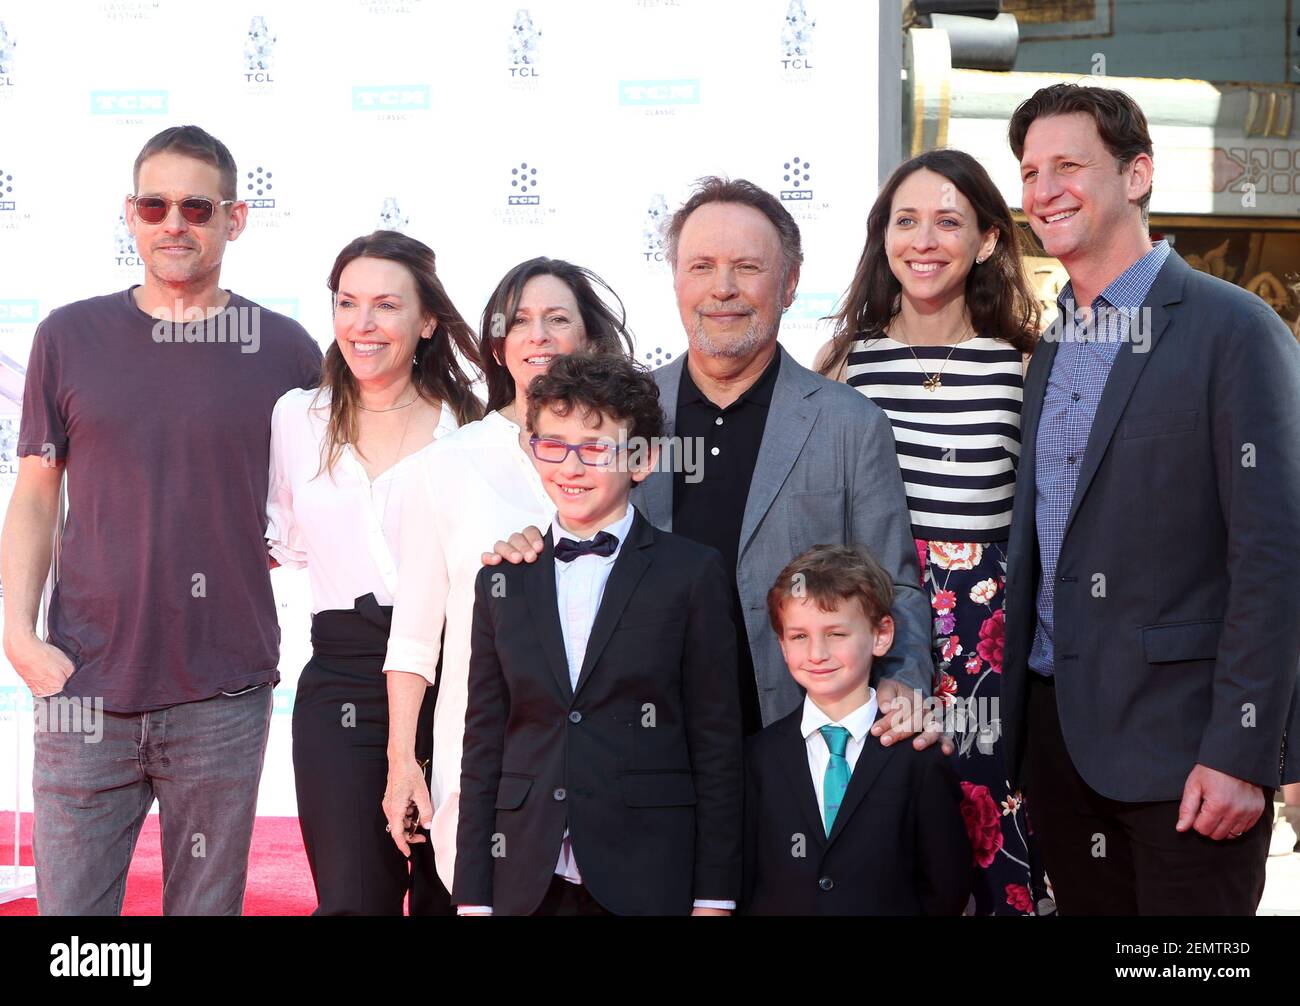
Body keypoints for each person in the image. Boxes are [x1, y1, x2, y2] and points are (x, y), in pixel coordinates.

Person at [487, 178, 937, 746]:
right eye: (701, 266)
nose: (721, 289)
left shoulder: (850, 424)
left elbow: (893, 585)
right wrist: (532, 546)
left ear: (791, 283)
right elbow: (579, 528)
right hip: (648, 746)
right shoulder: (622, 417)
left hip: (800, 741)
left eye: (747, 267)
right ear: (675, 278)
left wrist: (903, 680)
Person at [1, 125, 322, 915]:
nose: (173, 222)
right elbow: (37, 492)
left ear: (235, 219)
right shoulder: (68, 337)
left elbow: (323, 495)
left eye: (196, 206)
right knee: (74, 939)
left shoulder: (285, 350)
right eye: (154, 205)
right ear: (130, 214)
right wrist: (17, 635)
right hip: (80, 684)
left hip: (223, 694)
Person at [1002, 82, 1300, 914]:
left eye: (1069, 166)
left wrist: (1246, 751)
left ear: (1137, 175)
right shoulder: (1054, 343)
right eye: (1029, 172)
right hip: (1061, 749)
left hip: (1187, 759)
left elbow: (1273, 559)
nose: (1043, 191)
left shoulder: (1233, 329)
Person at [815, 149, 1047, 916]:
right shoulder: (847, 363)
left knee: (993, 840)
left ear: (986, 240)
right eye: (905, 220)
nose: (924, 239)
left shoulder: (1023, 368)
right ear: (883, 236)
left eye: (948, 221)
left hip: (987, 645)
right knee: (880, 848)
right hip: (871, 633)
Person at [454, 352, 742, 915]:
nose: (571, 466)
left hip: (647, 873)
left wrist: (714, 896)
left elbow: (717, 743)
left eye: (595, 447)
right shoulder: (501, 578)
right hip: (527, 876)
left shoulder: (691, 573)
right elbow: (483, 741)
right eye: (553, 444)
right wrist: (473, 900)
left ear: (642, 460)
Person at [381, 258, 635, 894]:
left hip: (613, 760)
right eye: (520, 322)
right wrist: (402, 761)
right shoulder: (446, 465)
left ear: (589, 340)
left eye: (557, 320)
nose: (538, 336)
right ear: (498, 345)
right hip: (486, 761)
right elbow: (415, 636)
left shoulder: (627, 460)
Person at [267, 231, 482, 914]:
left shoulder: (472, 430)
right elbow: (284, 541)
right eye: (347, 303)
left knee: (455, 895)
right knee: (354, 901)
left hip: (458, 684)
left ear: (426, 322)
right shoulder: (297, 419)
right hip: (343, 687)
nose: (362, 324)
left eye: (386, 305)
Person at [743, 544, 970, 915]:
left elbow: (946, 886)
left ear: (881, 635)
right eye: (799, 636)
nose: (817, 653)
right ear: (782, 645)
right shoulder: (758, 756)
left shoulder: (918, 758)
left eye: (836, 634)